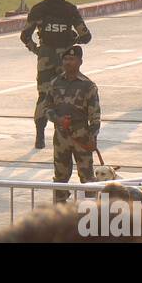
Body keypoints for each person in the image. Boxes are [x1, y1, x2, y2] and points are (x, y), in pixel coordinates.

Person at [20, 0, 93, 148]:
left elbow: (25, 36)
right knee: (65, 97)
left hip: (44, 56)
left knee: (44, 96)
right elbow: (86, 36)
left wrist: (36, 49)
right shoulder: (69, 9)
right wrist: (74, 40)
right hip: (65, 58)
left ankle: (39, 136)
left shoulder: (38, 9)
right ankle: (63, 133)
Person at [43, 45, 100, 202]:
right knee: (60, 177)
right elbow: (47, 108)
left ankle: (92, 211)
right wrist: (57, 119)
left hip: (82, 138)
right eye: (66, 59)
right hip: (61, 137)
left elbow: (95, 116)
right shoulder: (55, 83)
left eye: (72, 59)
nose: (68, 62)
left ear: (80, 62)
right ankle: (59, 209)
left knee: (87, 178)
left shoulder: (88, 86)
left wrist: (92, 137)